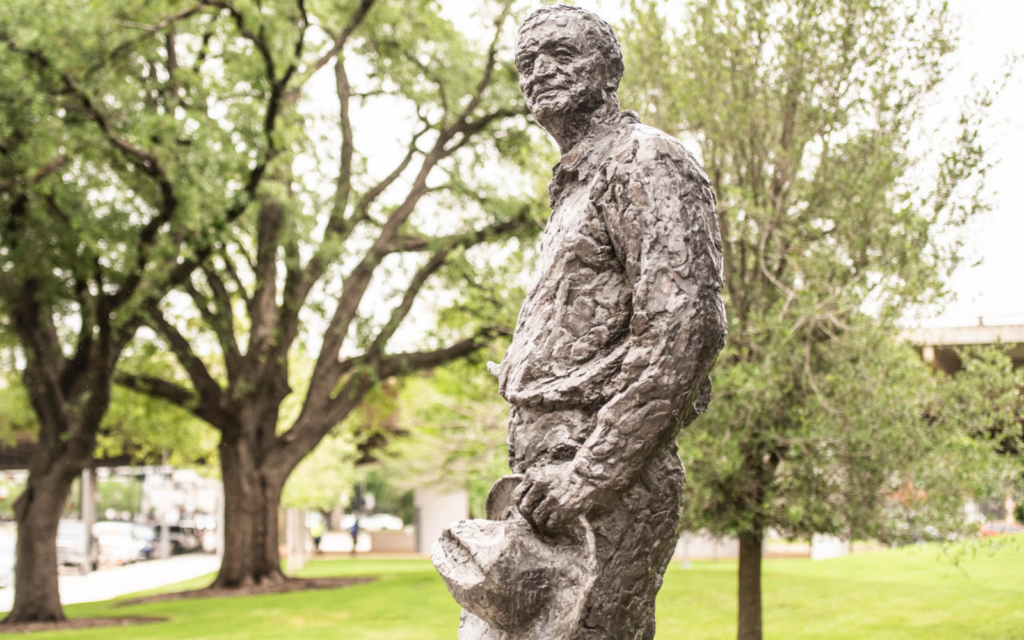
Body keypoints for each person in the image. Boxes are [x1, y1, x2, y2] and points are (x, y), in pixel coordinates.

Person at [490, 6, 727, 638]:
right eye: (526, 62)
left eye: (561, 54)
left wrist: (588, 474)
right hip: (548, 478)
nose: (540, 71)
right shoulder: (575, 183)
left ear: (609, 68)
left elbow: (684, 332)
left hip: (605, 481)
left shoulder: (644, 161)